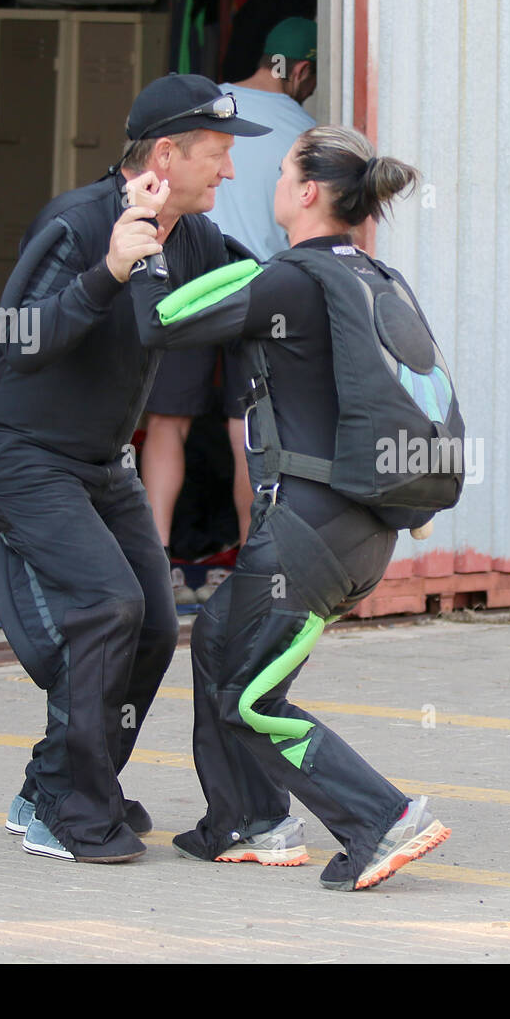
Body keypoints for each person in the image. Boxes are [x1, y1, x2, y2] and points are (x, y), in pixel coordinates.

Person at [126, 125, 452, 890]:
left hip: (309, 533)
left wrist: (139, 236)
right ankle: (246, 818)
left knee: (251, 697)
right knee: (215, 638)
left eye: (279, 171)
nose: (268, 182)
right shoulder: (373, 274)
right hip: (356, 526)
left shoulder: (292, 279)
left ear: (307, 191)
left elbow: (160, 321)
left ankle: (381, 816)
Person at [0, 74, 270, 863]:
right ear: (166, 154)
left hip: (101, 458)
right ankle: (69, 806)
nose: (228, 173)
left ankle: (60, 784)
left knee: (158, 624)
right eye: (218, 154)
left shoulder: (195, 235)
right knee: (105, 603)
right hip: (19, 447)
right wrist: (107, 275)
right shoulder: (79, 222)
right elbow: (17, 341)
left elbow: (250, 297)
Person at [142, 17, 318, 588]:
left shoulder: (212, 108)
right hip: (257, 290)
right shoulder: (308, 133)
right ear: (302, 70)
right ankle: (248, 565)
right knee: (249, 431)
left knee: (167, 423)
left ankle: (155, 561)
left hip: (188, 281)